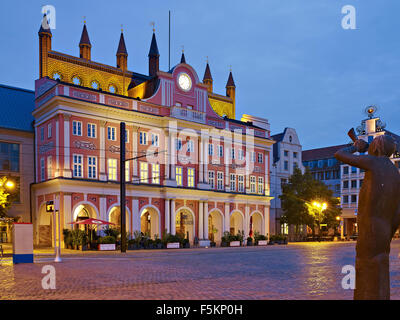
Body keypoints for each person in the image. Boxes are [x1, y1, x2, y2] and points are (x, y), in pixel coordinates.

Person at [335, 135, 400, 299]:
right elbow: (398, 213)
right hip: (384, 231)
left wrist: (356, 147)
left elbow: (339, 154)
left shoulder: (374, 162)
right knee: (380, 266)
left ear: (377, 148)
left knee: (364, 266)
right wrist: (389, 232)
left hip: (369, 228)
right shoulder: (395, 172)